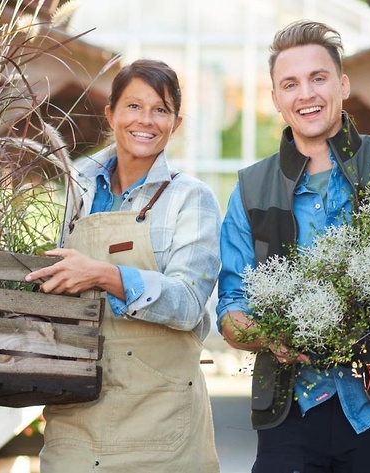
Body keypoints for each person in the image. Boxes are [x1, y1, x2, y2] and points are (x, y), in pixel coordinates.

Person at [216, 21, 370, 472]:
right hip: (291, 411)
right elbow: (230, 308)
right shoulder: (250, 191)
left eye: (318, 78)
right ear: (276, 99)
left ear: (342, 84)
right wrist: (266, 337)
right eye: (290, 84)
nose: (306, 94)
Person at [25, 59, 221, 473]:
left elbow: (188, 304)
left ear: (176, 122)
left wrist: (103, 274)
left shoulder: (191, 198)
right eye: (133, 106)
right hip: (78, 413)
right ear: (111, 113)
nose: (145, 121)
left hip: (162, 419)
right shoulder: (75, 184)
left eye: (160, 110)